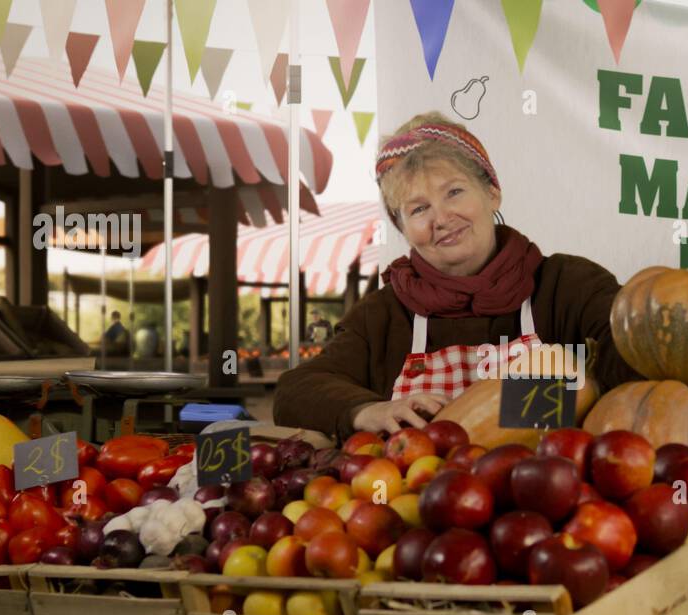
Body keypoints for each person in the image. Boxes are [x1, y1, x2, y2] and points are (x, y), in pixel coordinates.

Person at [274, 112, 642, 438]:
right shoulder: (383, 315)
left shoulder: (567, 286)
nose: (442, 219)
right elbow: (296, 390)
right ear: (401, 227)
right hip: (421, 506)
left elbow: (636, 354)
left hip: (544, 502)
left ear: (492, 193)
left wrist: (581, 386)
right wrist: (366, 409)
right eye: (419, 208)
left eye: (454, 192)